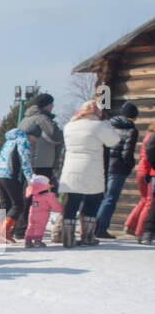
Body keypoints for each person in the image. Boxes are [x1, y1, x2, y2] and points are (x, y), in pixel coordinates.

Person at [57, 99, 121, 248]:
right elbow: (113, 141)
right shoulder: (98, 126)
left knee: (72, 203)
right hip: (91, 169)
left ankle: (67, 238)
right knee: (93, 200)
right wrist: (107, 124)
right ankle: (88, 236)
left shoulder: (69, 126)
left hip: (70, 168)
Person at [17, 94, 61, 239]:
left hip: (27, 163)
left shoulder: (25, 119)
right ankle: (32, 230)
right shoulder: (43, 119)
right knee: (40, 199)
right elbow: (56, 136)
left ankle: (21, 227)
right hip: (42, 162)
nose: (53, 107)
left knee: (26, 195)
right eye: (51, 104)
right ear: (46, 105)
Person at [96, 102, 141, 239]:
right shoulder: (131, 130)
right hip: (118, 167)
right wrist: (129, 166)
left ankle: (93, 227)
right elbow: (127, 153)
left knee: (101, 196)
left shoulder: (108, 125)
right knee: (110, 198)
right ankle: (101, 228)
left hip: (103, 164)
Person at [0, 126, 34, 243]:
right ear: (31, 135)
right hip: (11, 175)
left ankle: (1, 231)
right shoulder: (23, 141)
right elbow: (25, 161)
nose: (33, 142)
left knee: (5, 204)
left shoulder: (9, 141)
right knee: (18, 205)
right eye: (34, 138)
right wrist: (31, 179)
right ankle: (4, 231)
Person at [23, 174, 62, 248]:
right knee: (39, 227)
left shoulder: (31, 194)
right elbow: (55, 205)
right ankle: (37, 241)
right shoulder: (49, 195)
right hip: (42, 215)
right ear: (44, 184)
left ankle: (28, 241)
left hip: (31, 213)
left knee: (30, 226)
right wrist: (61, 210)